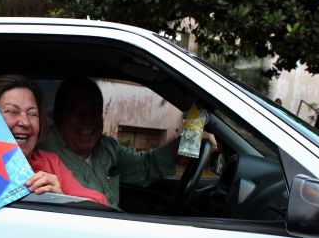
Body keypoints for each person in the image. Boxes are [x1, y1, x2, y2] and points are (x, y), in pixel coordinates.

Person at [38, 77, 216, 208]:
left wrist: (192, 134)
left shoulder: (107, 147)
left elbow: (147, 165)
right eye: (78, 112)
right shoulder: (42, 154)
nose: (88, 120)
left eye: (95, 111)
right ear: (59, 115)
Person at [0, 75, 108, 204]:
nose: (25, 122)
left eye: (32, 113)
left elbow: (99, 204)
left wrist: (62, 199)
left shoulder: (51, 163)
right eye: (12, 111)